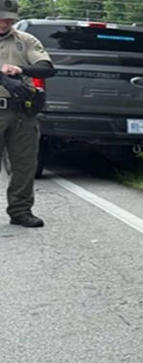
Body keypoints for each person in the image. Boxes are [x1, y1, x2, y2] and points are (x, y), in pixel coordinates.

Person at [0, 0, 55, 228]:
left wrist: (20, 69)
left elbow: (47, 68)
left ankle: (20, 210)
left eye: (10, 18)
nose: (6, 22)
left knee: (24, 163)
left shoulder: (25, 40)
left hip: (21, 111)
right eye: (2, 17)